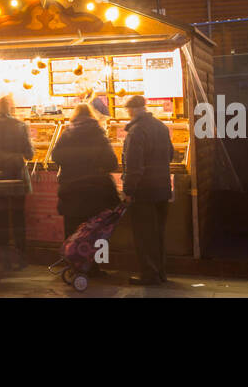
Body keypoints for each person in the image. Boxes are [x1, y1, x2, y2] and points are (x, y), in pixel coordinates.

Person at [121, 95, 174, 285]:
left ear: (132, 110)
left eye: (127, 111)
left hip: (144, 192)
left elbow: (134, 166)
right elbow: (170, 154)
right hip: (162, 190)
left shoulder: (136, 131)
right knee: (158, 234)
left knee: (144, 235)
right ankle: (161, 273)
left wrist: (128, 190)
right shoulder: (161, 127)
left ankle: (149, 275)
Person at [0, 94, 33, 269]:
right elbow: (29, 154)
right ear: (11, 108)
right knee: (18, 218)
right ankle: (21, 257)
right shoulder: (21, 125)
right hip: (17, 175)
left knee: (1, 218)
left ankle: (3, 259)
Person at [52, 103, 120, 239]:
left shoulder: (66, 135)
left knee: (73, 235)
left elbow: (56, 156)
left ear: (74, 116)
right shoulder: (99, 135)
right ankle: (98, 259)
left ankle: (73, 259)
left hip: (71, 193)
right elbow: (112, 164)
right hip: (96, 196)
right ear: (92, 116)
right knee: (97, 234)